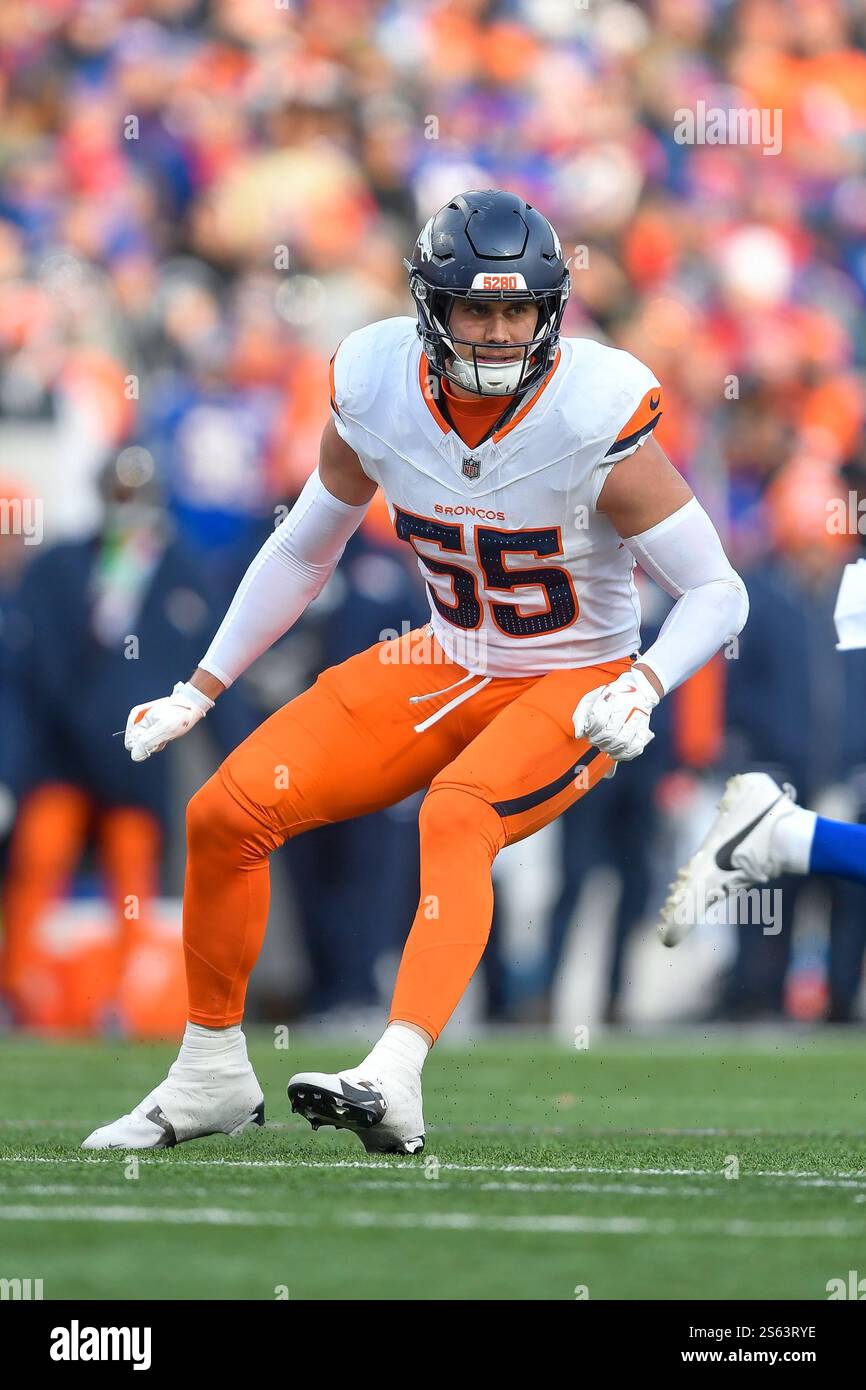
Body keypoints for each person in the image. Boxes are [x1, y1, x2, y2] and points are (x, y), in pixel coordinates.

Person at [82, 189, 747, 1155]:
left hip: (575, 676)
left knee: (460, 812)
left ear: (548, 311)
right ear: (431, 307)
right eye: (476, 308)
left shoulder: (594, 409)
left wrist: (642, 682)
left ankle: (395, 1071)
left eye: (515, 310)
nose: (496, 330)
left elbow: (718, 591)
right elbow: (306, 547)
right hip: (446, 657)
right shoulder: (377, 382)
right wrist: (203, 684)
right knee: (224, 814)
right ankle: (210, 1073)